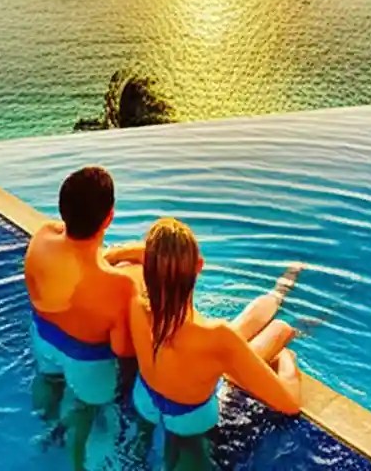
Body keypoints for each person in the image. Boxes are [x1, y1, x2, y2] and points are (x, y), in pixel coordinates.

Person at [128, 217, 302, 468]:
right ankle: (280, 293)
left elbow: (135, 257)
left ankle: (277, 293)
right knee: (281, 330)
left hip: (145, 400)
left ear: (148, 268)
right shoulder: (217, 337)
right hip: (190, 421)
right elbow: (289, 404)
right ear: (199, 266)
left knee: (240, 333)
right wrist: (287, 360)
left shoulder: (135, 303)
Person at [24, 166, 143, 467]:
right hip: (87, 364)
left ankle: (47, 427)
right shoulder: (118, 285)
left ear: (62, 209)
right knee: (86, 408)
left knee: (48, 382)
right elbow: (123, 350)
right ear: (109, 217)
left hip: (44, 338)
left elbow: (78, 257)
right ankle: (77, 458)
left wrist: (111, 256)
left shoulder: (41, 238)